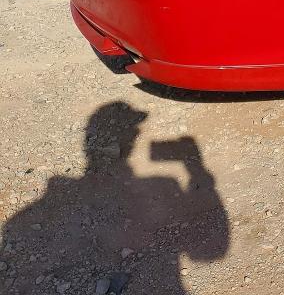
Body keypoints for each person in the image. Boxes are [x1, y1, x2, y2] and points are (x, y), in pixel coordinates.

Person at [1, 101, 228, 294]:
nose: (135, 136)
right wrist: (197, 170)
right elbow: (211, 253)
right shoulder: (164, 184)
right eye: (134, 132)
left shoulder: (19, 220)